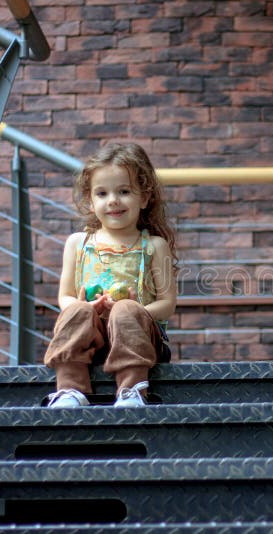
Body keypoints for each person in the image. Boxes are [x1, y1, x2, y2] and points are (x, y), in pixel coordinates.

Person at [43, 143, 177, 408]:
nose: (113, 200)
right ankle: (70, 389)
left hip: (138, 340)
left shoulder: (153, 246)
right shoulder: (78, 243)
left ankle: (132, 390)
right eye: (102, 193)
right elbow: (65, 297)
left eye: (124, 191)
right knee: (76, 311)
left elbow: (167, 304)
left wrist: (133, 309)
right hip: (89, 338)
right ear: (90, 201)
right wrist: (86, 308)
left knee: (126, 310)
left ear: (145, 198)